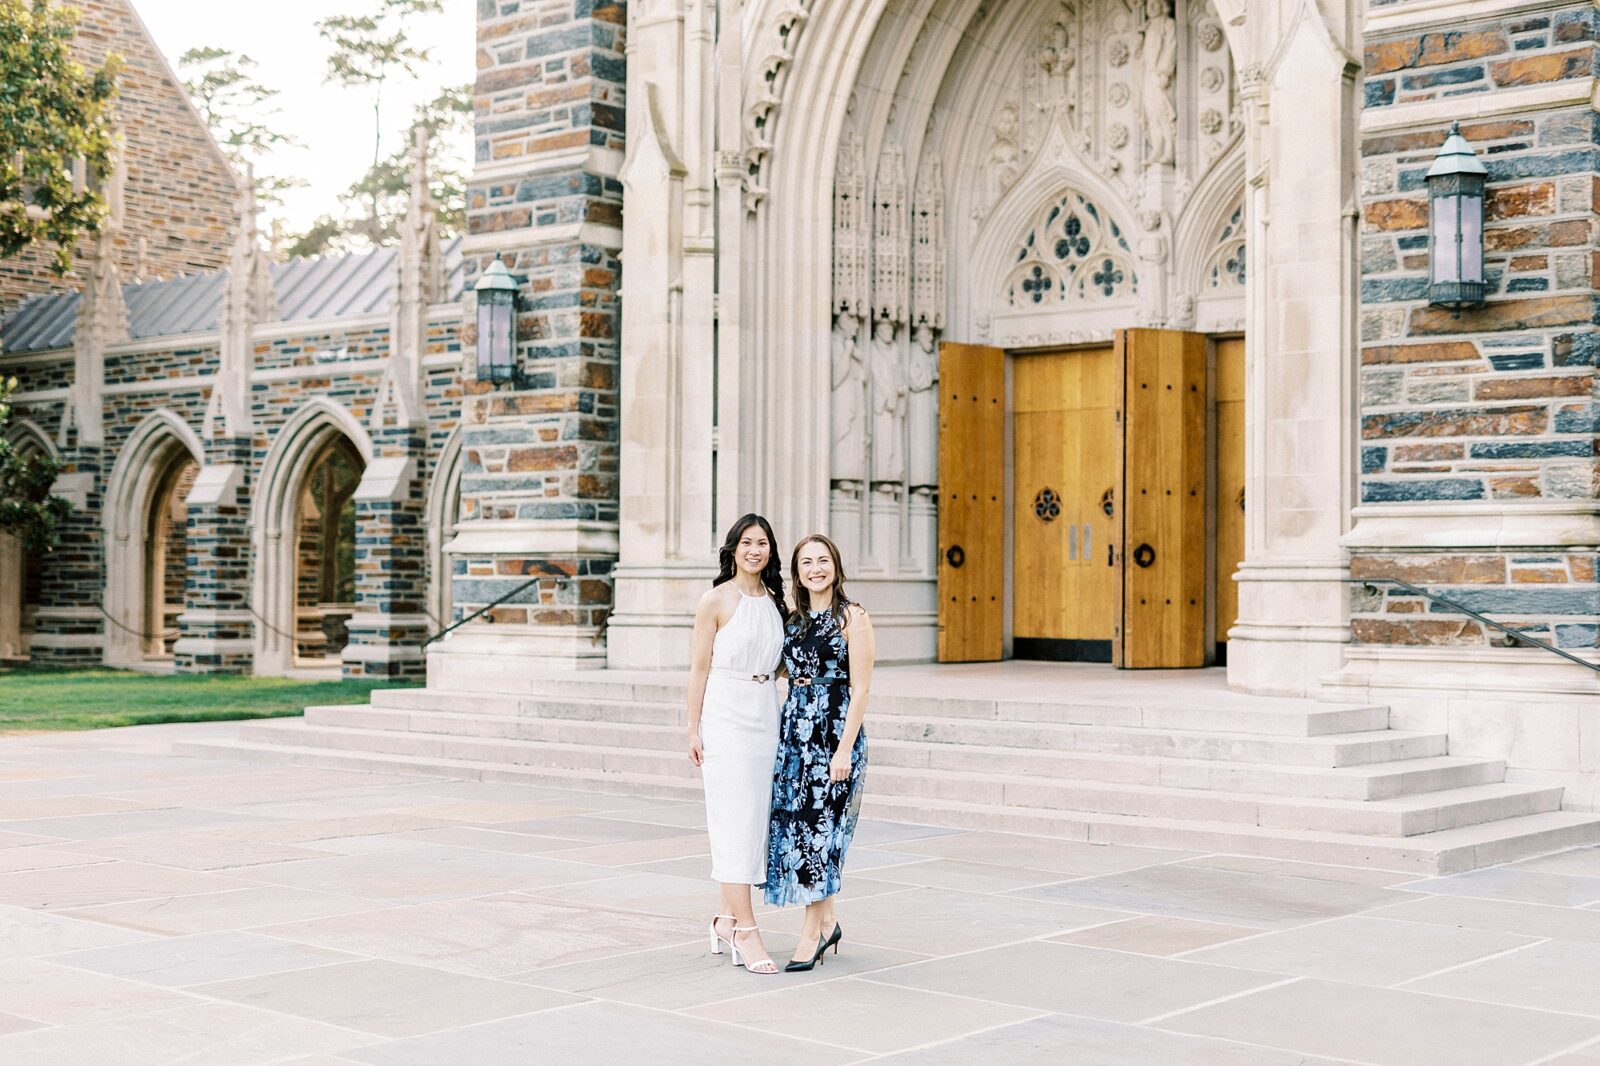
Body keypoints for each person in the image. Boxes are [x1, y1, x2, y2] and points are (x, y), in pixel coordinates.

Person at [762, 533, 874, 972]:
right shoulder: (793, 621)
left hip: (834, 736)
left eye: (823, 560)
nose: (815, 568)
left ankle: (810, 936)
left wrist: (844, 750)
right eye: (806, 562)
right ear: (797, 572)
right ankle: (828, 921)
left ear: (836, 566)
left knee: (821, 833)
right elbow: (775, 671)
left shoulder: (853, 616)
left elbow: (862, 687)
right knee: (800, 830)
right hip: (795, 739)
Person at [687, 514, 787, 975]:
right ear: (732, 549)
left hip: (765, 710)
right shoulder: (715, 600)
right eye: (747, 542)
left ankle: (724, 919)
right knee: (732, 818)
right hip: (725, 713)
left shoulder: (775, 602)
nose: (755, 550)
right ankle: (746, 929)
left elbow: (781, 663)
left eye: (762, 543)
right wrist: (692, 728)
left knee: (752, 820)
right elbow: (699, 668)